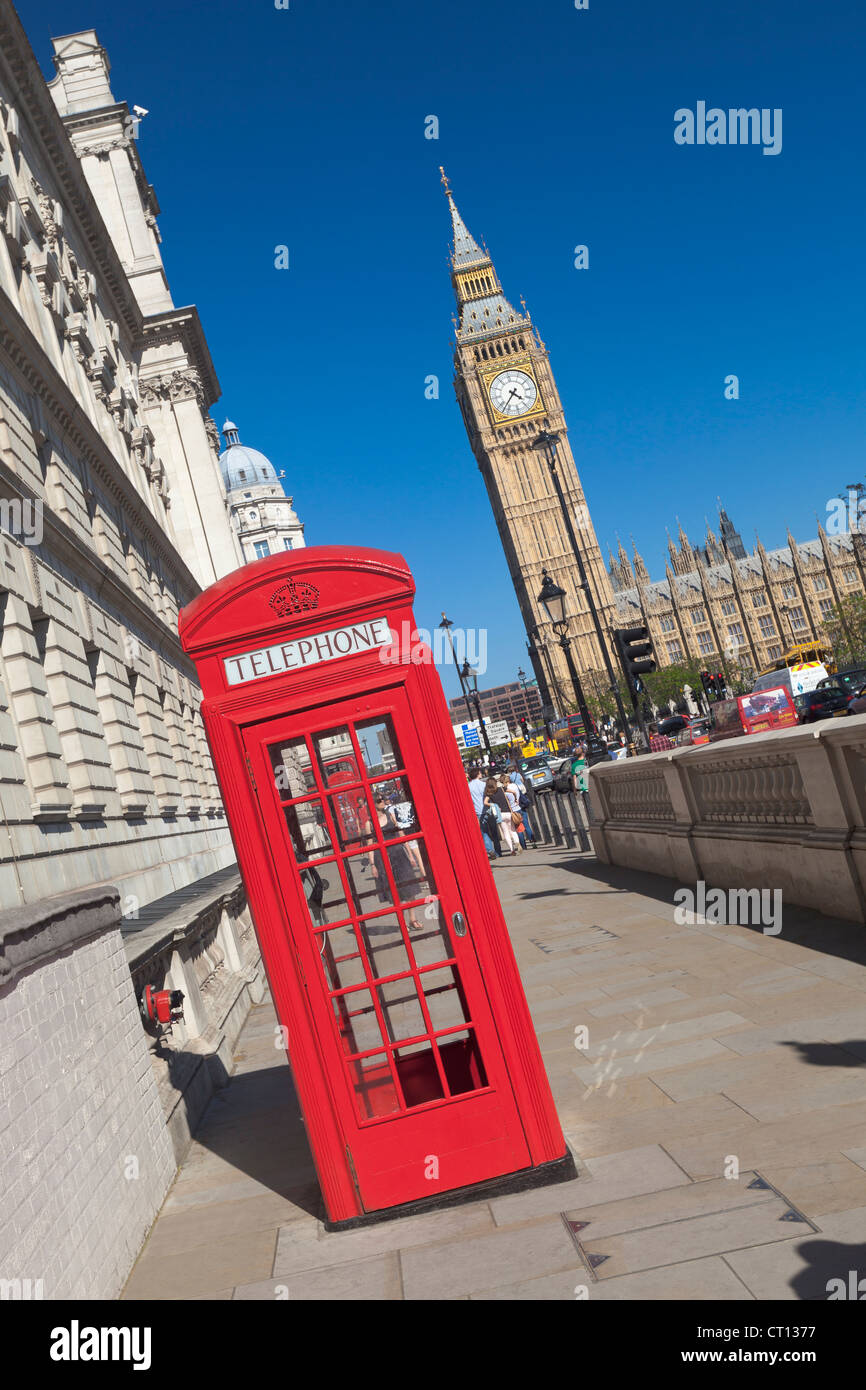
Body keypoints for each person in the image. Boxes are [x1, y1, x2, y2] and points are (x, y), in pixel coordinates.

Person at [468, 766, 500, 858]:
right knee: (494, 832)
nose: (481, 774)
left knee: (484, 832)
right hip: (488, 809)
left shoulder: (468, 786)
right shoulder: (484, 784)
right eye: (480, 773)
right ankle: (498, 851)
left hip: (478, 811)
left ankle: (490, 850)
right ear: (478, 774)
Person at [487, 776, 519, 855]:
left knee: (505, 833)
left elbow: (485, 802)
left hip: (499, 814)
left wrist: (493, 805)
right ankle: (517, 843)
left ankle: (512, 850)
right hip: (508, 812)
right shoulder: (501, 789)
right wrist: (516, 799)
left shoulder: (489, 793)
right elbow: (513, 792)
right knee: (513, 830)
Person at [500, 773, 528, 850]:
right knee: (526, 825)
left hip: (513, 811)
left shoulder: (505, 791)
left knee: (518, 829)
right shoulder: (515, 786)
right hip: (519, 807)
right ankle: (533, 840)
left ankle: (523, 845)